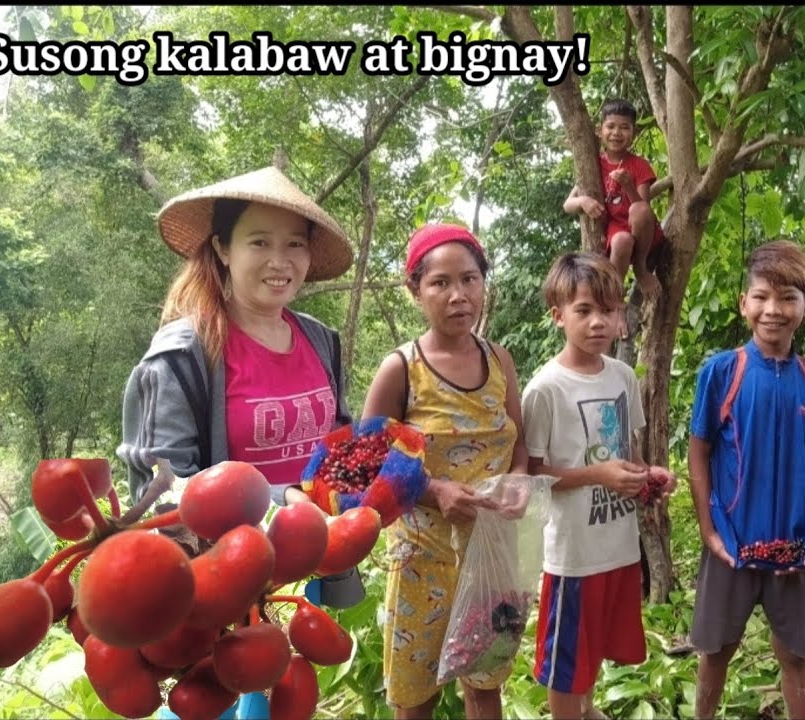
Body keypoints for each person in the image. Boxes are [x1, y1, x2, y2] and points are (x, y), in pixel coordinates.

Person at [117, 166, 362, 719]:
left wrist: (363, 486)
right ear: (223, 248)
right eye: (260, 242)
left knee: (278, 705)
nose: (281, 262)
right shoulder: (182, 355)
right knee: (210, 705)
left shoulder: (321, 341)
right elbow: (156, 487)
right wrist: (282, 503)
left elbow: (335, 445)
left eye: (294, 244)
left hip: (301, 576)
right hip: (218, 581)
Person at [360, 223, 528, 720]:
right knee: (416, 696)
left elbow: (519, 443)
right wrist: (433, 489)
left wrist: (517, 480)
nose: (459, 296)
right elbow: (365, 461)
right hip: (422, 560)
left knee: (486, 683)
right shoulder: (402, 370)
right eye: (440, 283)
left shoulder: (500, 360)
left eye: (470, 280)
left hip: (493, 557)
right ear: (416, 291)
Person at [521, 252, 675, 720]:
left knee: (595, 650)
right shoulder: (545, 389)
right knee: (566, 663)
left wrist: (648, 476)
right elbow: (531, 477)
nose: (597, 322)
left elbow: (626, 454)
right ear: (558, 315)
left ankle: (587, 711)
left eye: (607, 311)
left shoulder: (623, 376)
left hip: (618, 545)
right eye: (583, 310)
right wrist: (595, 475)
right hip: (573, 555)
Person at [687, 240, 805, 720]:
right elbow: (700, 451)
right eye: (762, 297)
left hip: (792, 544)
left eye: (788, 298)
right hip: (731, 540)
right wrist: (709, 529)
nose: (774, 310)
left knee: (794, 654)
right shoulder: (721, 371)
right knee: (716, 651)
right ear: (744, 303)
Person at [563, 98, 665, 302]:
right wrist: (583, 201)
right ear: (601, 131)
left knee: (640, 210)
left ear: (633, 133)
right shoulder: (594, 164)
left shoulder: (639, 165)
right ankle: (614, 301)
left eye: (624, 127)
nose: (617, 133)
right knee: (621, 240)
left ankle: (640, 268)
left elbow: (644, 209)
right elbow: (567, 205)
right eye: (611, 126)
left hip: (643, 234)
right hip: (616, 233)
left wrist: (628, 186)